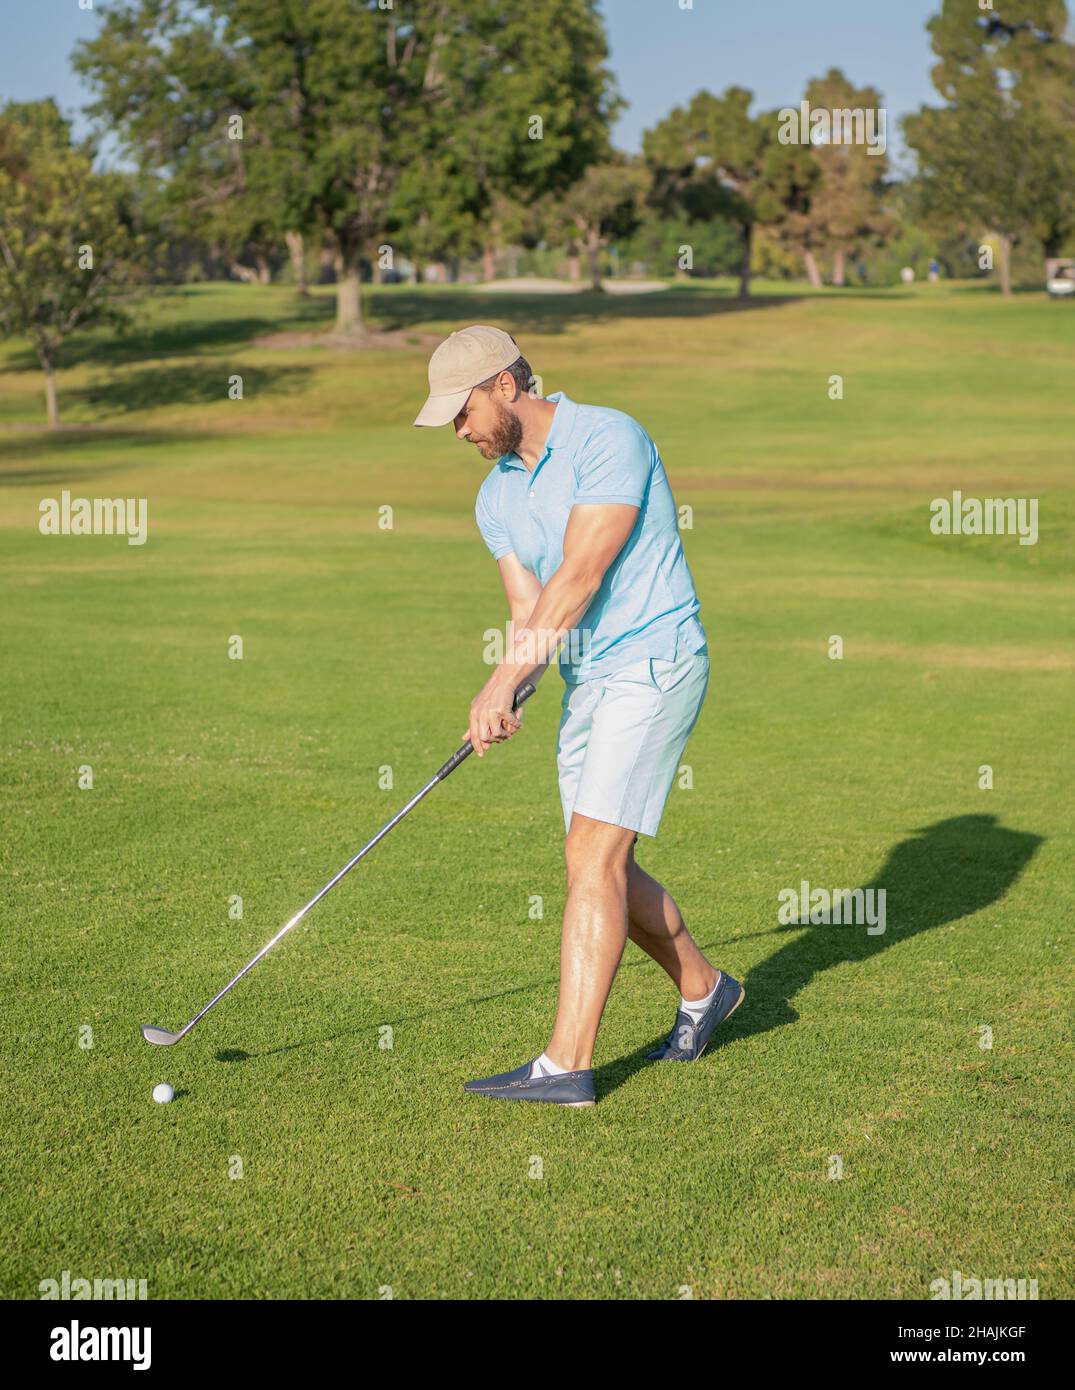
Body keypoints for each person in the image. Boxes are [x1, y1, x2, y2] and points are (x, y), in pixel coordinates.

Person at [414, 325, 743, 1106]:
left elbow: (580, 574)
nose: (458, 432)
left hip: (655, 663)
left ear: (503, 385)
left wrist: (498, 682)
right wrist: (514, 692)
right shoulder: (495, 495)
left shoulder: (608, 437)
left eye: (459, 413)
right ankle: (704, 987)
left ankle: (566, 1064)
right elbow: (529, 607)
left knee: (592, 858)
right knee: (598, 862)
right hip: (589, 681)